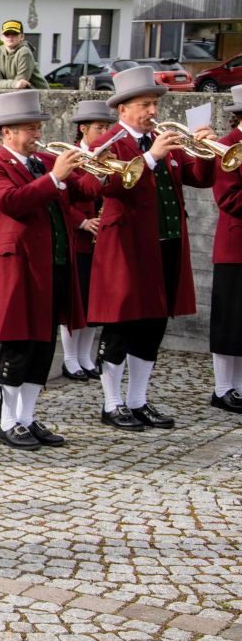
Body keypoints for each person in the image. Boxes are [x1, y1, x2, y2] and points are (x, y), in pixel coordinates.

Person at [88, 66, 218, 430]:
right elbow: (104, 186)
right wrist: (149, 158)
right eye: (145, 105)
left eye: (154, 105)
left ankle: (138, 399)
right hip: (126, 248)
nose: (152, 112)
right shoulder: (110, 143)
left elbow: (197, 178)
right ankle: (112, 403)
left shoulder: (164, 139)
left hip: (167, 244)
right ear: (123, 109)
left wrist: (205, 150)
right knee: (121, 324)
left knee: (152, 326)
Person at [0, 91, 101, 449]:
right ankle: (7, 422)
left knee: (43, 344)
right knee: (19, 344)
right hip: (19, 265)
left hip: (53, 263)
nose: (37, 133)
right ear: (7, 133)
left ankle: (27, 417)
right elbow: (10, 203)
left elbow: (85, 190)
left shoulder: (45, 162)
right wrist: (55, 178)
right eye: (30, 128)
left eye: (38, 127)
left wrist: (98, 162)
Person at [59, 99, 115, 380]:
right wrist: (81, 221)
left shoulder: (107, 156)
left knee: (95, 302)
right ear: (82, 128)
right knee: (76, 300)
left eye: (107, 127)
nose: (104, 132)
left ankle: (85, 356)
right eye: (99, 127)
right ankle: (69, 359)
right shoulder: (69, 156)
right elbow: (59, 199)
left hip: (103, 239)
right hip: (78, 238)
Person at [210, 85, 242, 414]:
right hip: (235, 246)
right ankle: (222, 388)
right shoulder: (227, 146)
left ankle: (239, 387)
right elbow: (228, 198)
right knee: (228, 320)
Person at [0, 20, 47, 90]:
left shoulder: (24, 52)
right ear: (2, 37)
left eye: (14, 34)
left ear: (22, 37)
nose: (10, 37)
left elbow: (21, 84)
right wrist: (14, 84)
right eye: (7, 34)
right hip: (14, 93)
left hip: (37, 94)